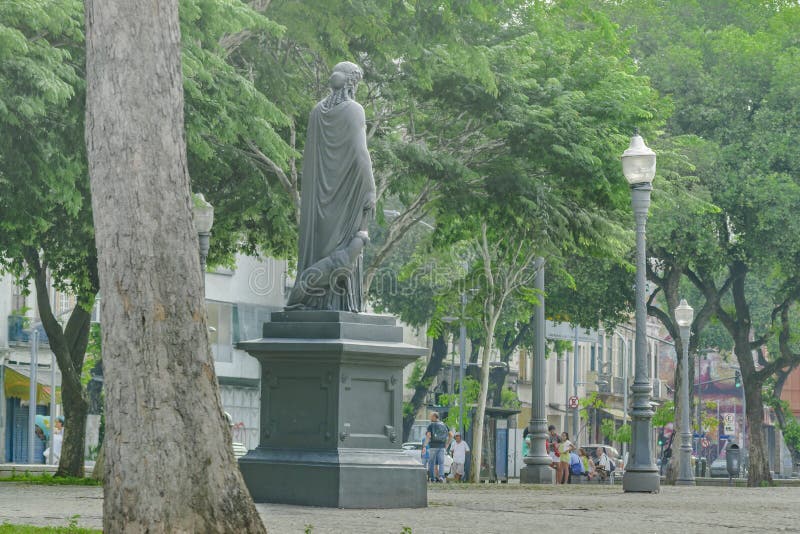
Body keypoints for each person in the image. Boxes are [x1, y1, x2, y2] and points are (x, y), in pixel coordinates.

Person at [286, 61, 376, 312]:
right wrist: (370, 188)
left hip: (318, 202)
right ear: (351, 82)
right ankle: (340, 306)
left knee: (324, 251)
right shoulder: (354, 110)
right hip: (347, 197)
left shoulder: (317, 112)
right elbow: (361, 153)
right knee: (347, 251)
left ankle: (313, 302)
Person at [425, 412, 449, 482]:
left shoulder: (431, 425)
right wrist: (447, 444)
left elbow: (428, 436)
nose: (430, 418)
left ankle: (432, 478)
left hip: (433, 446)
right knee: (441, 462)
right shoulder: (444, 425)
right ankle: (441, 477)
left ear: (435, 417)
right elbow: (451, 434)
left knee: (431, 462)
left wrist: (424, 445)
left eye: (431, 417)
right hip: (442, 446)